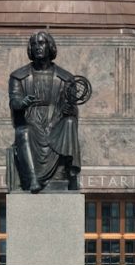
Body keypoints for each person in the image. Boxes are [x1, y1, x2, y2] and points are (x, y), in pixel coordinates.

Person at [8, 31, 90, 193]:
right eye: (34, 44)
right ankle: (33, 180)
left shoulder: (66, 78)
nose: (38, 47)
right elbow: (14, 101)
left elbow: (72, 108)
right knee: (23, 132)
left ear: (50, 47)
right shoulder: (18, 76)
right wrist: (23, 103)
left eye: (42, 43)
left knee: (70, 122)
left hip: (55, 121)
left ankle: (69, 172)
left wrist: (70, 110)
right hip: (31, 119)